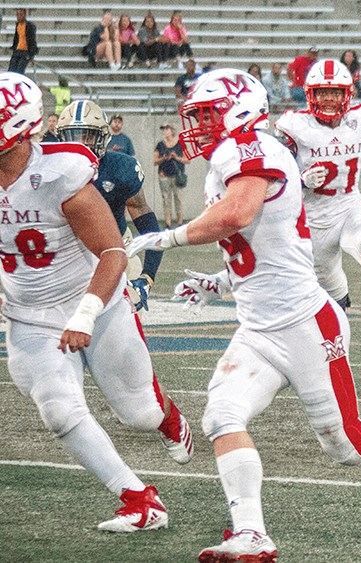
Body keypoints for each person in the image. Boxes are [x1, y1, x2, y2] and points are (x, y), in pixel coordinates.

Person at [126, 68, 361, 561]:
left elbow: (236, 216)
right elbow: (262, 247)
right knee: (221, 414)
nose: (197, 124)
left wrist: (167, 238)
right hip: (258, 327)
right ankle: (251, 534)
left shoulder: (252, 150)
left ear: (238, 110)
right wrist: (216, 283)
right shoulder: (230, 156)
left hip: (306, 323)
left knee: (346, 446)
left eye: (206, 114)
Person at [0, 72, 193, 533]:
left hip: (95, 300)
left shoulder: (62, 171)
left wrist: (86, 312)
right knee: (59, 410)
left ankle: (168, 416)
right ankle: (139, 499)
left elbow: (111, 252)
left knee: (139, 414)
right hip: (29, 315)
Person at [275, 59, 361, 375]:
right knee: (334, 295)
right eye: (322, 92)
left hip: (349, 207)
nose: (328, 99)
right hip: (312, 218)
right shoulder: (294, 126)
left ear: (346, 94)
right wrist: (299, 180)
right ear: (311, 94)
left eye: (334, 93)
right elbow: (274, 174)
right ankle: (337, 339)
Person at [58, 101, 165, 314]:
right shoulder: (49, 170)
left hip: (117, 248)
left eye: (87, 135)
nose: (80, 144)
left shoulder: (120, 168)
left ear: (103, 137)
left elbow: (145, 220)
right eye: (73, 136)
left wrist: (148, 275)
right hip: (68, 251)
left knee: (129, 319)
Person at [154, 123, 188, 228]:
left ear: (172, 130)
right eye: (163, 129)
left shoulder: (180, 144)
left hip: (177, 176)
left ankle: (179, 222)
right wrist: (164, 158)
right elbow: (155, 161)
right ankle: (168, 223)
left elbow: (187, 159)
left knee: (179, 199)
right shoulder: (160, 145)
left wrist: (176, 157)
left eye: (167, 129)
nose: (165, 131)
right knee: (166, 199)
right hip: (164, 175)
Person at [8, 8, 37, 74]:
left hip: (25, 52)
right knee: (11, 70)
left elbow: (32, 41)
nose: (18, 17)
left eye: (21, 15)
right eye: (17, 15)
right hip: (17, 50)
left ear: (24, 15)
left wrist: (31, 55)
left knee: (19, 71)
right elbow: (16, 38)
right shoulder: (18, 25)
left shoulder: (29, 26)